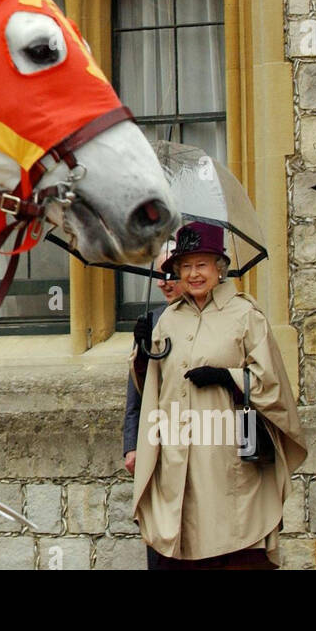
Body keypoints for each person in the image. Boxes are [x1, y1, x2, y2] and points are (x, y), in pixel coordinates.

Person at [131, 222, 307, 569]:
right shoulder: (167, 321)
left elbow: (273, 385)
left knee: (236, 551)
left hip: (229, 465)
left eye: (202, 265)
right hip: (178, 465)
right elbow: (153, 389)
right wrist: (141, 353)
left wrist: (228, 377)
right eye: (185, 267)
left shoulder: (245, 315)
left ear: (219, 268)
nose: (193, 274)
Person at [123, 244, 183, 571]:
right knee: (158, 532)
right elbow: (136, 395)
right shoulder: (149, 321)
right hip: (157, 443)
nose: (164, 282)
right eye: (158, 275)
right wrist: (131, 446)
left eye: (171, 274)